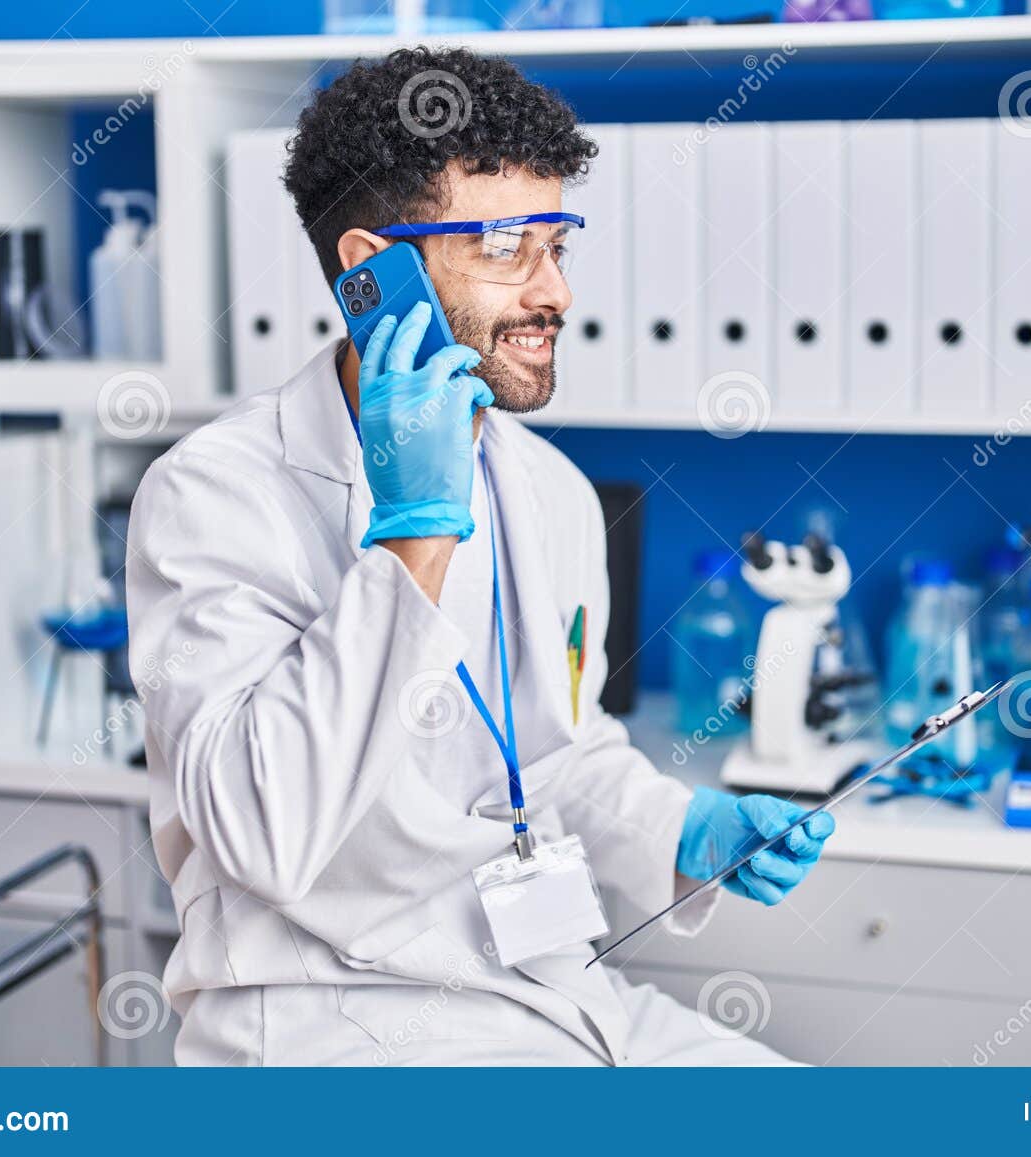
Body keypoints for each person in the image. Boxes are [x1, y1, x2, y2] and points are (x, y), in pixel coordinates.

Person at [127, 46, 835, 1066]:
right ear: (373, 269)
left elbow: (553, 749)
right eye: (506, 247)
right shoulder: (217, 492)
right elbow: (264, 832)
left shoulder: (546, 485)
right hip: (335, 1022)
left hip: (546, 982)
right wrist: (414, 529)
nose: (553, 291)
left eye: (557, 244)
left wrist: (685, 827)